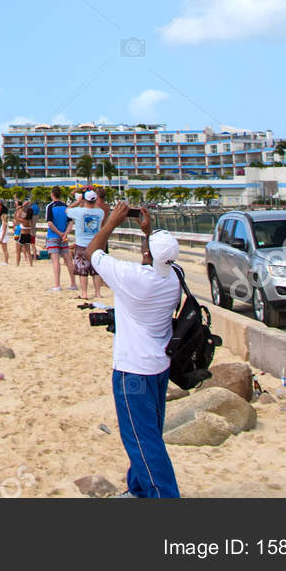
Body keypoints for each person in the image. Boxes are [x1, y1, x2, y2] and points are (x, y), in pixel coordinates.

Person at [85, 195, 183, 498]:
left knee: (142, 440)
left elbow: (93, 253)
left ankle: (163, 495)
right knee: (147, 432)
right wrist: (147, 233)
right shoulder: (175, 277)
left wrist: (111, 222)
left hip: (133, 370)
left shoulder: (135, 279)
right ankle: (138, 488)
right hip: (159, 367)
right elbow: (154, 260)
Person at [70, 189, 105, 300]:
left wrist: (78, 201)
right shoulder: (100, 212)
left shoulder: (79, 211)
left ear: (85, 199)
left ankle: (84, 293)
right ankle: (98, 293)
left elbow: (67, 210)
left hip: (81, 244)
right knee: (96, 270)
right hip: (95, 244)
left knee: (82, 269)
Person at [44, 187, 77, 292]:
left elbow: (50, 223)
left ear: (52, 194)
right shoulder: (65, 207)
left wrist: (59, 233)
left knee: (55, 260)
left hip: (53, 235)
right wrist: (65, 234)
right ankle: (73, 283)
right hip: (63, 237)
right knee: (68, 260)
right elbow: (70, 223)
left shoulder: (50, 206)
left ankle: (57, 285)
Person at [15, 200, 37, 265]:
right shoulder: (31, 221)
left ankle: (17, 264)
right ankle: (31, 264)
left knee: (18, 251)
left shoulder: (24, 221)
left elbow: (17, 217)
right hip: (28, 235)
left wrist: (21, 207)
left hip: (22, 235)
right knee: (28, 251)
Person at [0, 199, 12, 264]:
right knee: (5, 250)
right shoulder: (5, 223)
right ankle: (5, 261)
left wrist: (1, 239)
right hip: (4, 237)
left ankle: (6, 261)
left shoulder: (4, 223)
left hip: (3, 237)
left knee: (5, 250)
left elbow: (4, 232)